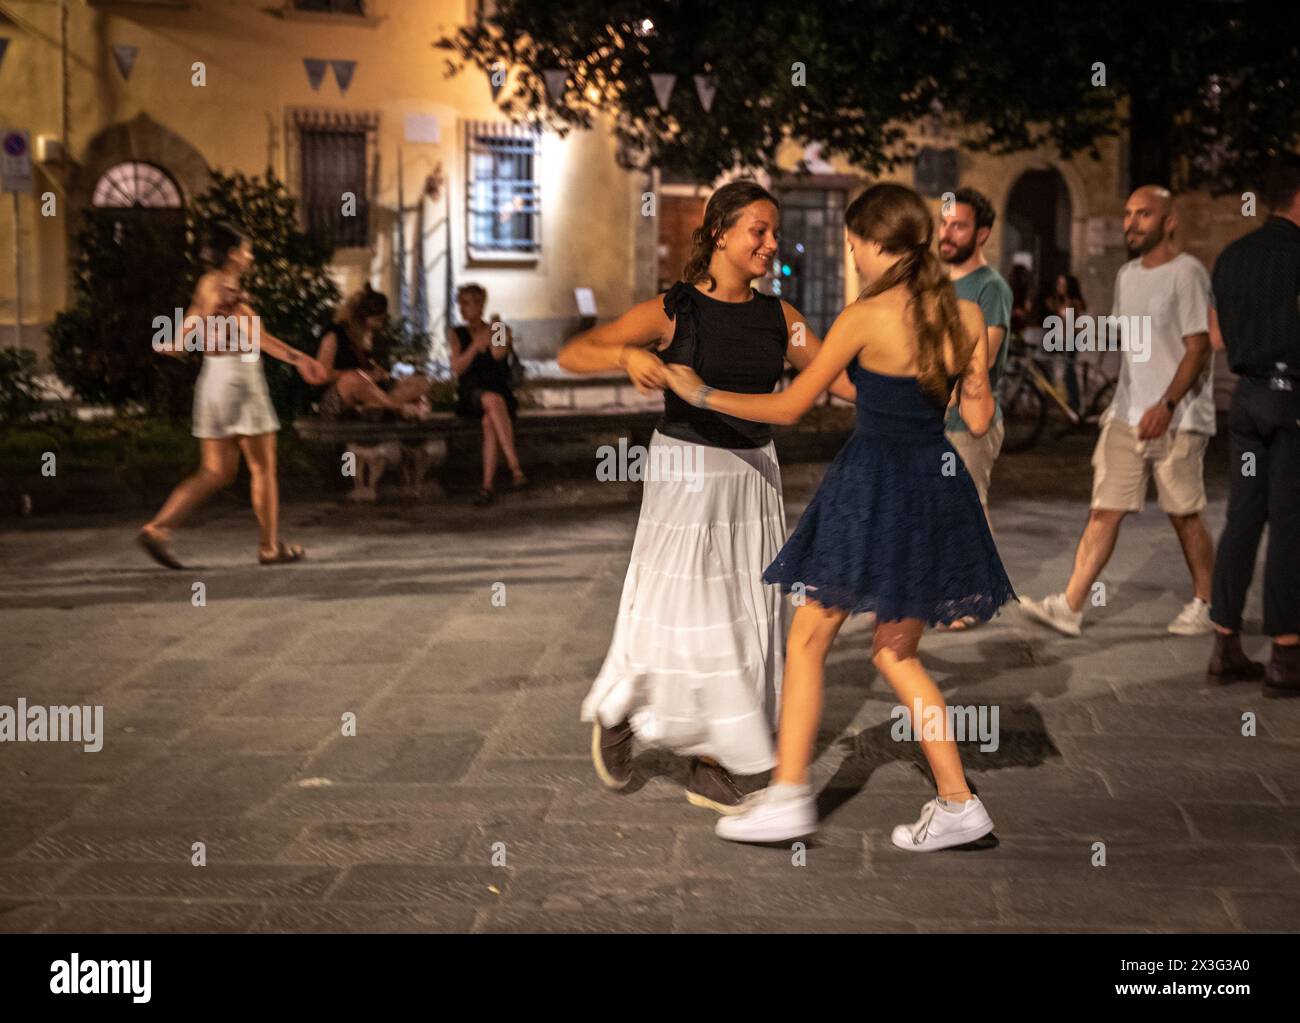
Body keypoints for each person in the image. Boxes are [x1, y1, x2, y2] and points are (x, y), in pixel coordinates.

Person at [662, 182, 1014, 849]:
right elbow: (977, 415)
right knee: (897, 652)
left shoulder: (865, 315)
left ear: (881, 245)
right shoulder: (963, 318)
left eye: (854, 244)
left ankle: (790, 796)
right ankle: (958, 801)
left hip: (872, 486)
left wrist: (703, 389)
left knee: (807, 640)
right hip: (936, 486)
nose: (852, 255)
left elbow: (792, 405)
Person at [557, 179, 856, 815]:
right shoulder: (675, 310)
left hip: (755, 478)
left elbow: (840, 379)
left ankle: (711, 759)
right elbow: (574, 352)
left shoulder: (783, 318)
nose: (773, 244)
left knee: (745, 618)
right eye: (760, 231)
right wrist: (627, 357)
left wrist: (911, 368)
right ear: (720, 232)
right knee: (682, 610)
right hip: (686, 475)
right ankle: (621, 711)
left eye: (774, 233)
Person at [1019, 186, 1217, 638]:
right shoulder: (1127, 275)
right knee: (1103, 511)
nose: (1131, 223)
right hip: (1126, 415)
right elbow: (1134, 339)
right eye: (1127, 214)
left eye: (1143, 214)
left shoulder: (1187, 274)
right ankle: (1070, 606)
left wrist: (1166, 404)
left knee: (1184, 513)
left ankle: (1206, 602)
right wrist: (1079, 333)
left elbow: (1197, 347)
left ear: (1169, 221)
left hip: (1179, 418)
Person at [138, 222, 327, 568]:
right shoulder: (224, 289)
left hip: (212, 379)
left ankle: (157, 528)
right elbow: (258, 337)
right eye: (246, 250)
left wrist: (171, 343)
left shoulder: (205, 287)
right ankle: (269, 548)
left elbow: (183, 340)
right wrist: (301, 360)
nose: (250, 256)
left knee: (215, 471)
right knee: (262, 468)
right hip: (240, 379)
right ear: (232, 254)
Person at [1204, 156, 1300, 695]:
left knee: (1243, 516)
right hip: (1292, 402)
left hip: (1246, 402)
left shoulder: (1234, 256)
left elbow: (1218, 338)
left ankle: (1226, 642)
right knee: (1290, 523)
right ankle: (1287, 654)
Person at [937, 188, 1015, 631]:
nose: (947, 233)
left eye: (959, 225)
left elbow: (982, 361)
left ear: (982, 233)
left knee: (968, 506)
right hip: (934, 417)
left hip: (969, 421)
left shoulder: (990, 288)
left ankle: (973, 596)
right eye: (945, 224)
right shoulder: (937, 282)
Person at [447, 283, 526, 506]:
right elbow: (457, 368)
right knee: (491, 401)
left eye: (468, 303)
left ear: (480, 305)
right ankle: (515, 468)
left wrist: (495, 334)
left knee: (489, 420)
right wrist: (474, 346)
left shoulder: (498, 328)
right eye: (460, 303)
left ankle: (487, 487)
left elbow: (498, 355)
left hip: (499, 390)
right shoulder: (457, 333)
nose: (463, 309)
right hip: (471, 394)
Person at [316, 285, 431, 420]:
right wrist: (362, 374)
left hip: (369, 392)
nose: (380, 324)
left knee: (421, 382)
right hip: (341, 396)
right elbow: (322, 375)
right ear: (364, 318)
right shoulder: (335, 334)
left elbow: (371, 368)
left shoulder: (369, 337)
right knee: (352, 379)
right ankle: (396, 407)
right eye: (378, 319)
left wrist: (379, 373)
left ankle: (373, 407)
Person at [1046, 273, 1087, 412]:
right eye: (1059, 284)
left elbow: (1072, 317)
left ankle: (1074, 403)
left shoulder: (1074, 301)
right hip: (1064, 338)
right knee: (1066, 370)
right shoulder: (1060, 300)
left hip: (1073, 338)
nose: (1060, 287)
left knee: (1069, 371)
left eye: (1063, 284)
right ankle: (1072, 402)